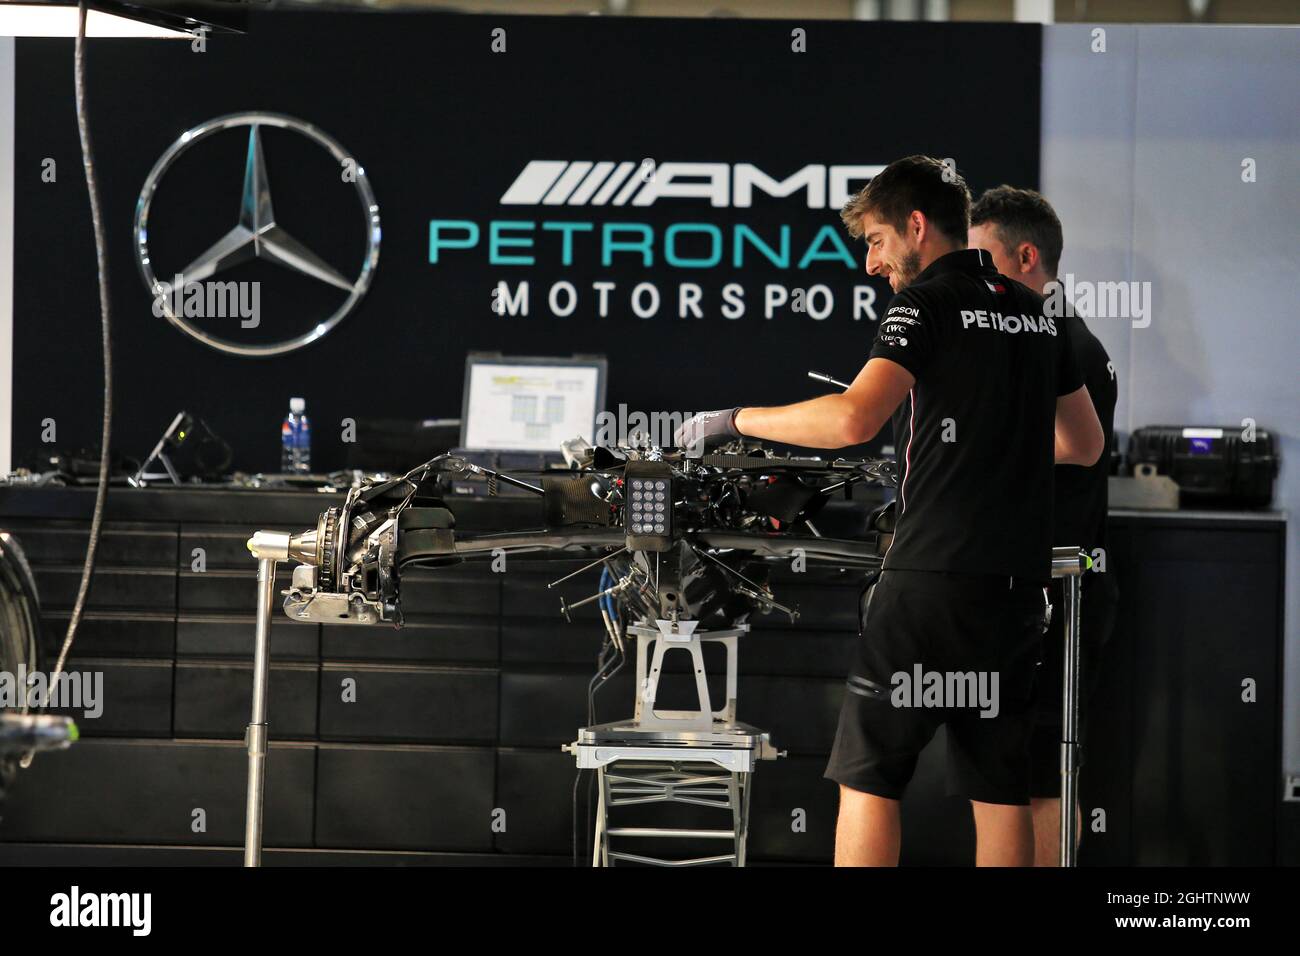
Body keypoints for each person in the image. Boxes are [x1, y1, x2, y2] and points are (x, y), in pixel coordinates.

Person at [675, 155, 1104, 866]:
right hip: (1015, 594)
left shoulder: (924, 305)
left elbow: (852, 420)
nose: (871, 262)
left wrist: (733, 419)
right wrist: (992, 446)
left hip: (929, 585)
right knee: (1000, 791)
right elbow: (1083, 445)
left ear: (915, 225)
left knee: (870, 783)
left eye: (875, 240)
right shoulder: (1036, 313)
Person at [969, 185, 1120, 866]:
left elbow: (1069, 445)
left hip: (1061, 593)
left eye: (982, 261)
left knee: (1041, 775)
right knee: (1014, 772)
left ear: (1026, 257)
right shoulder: (1033, 337)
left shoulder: (1062, 343)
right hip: (1025, 588)